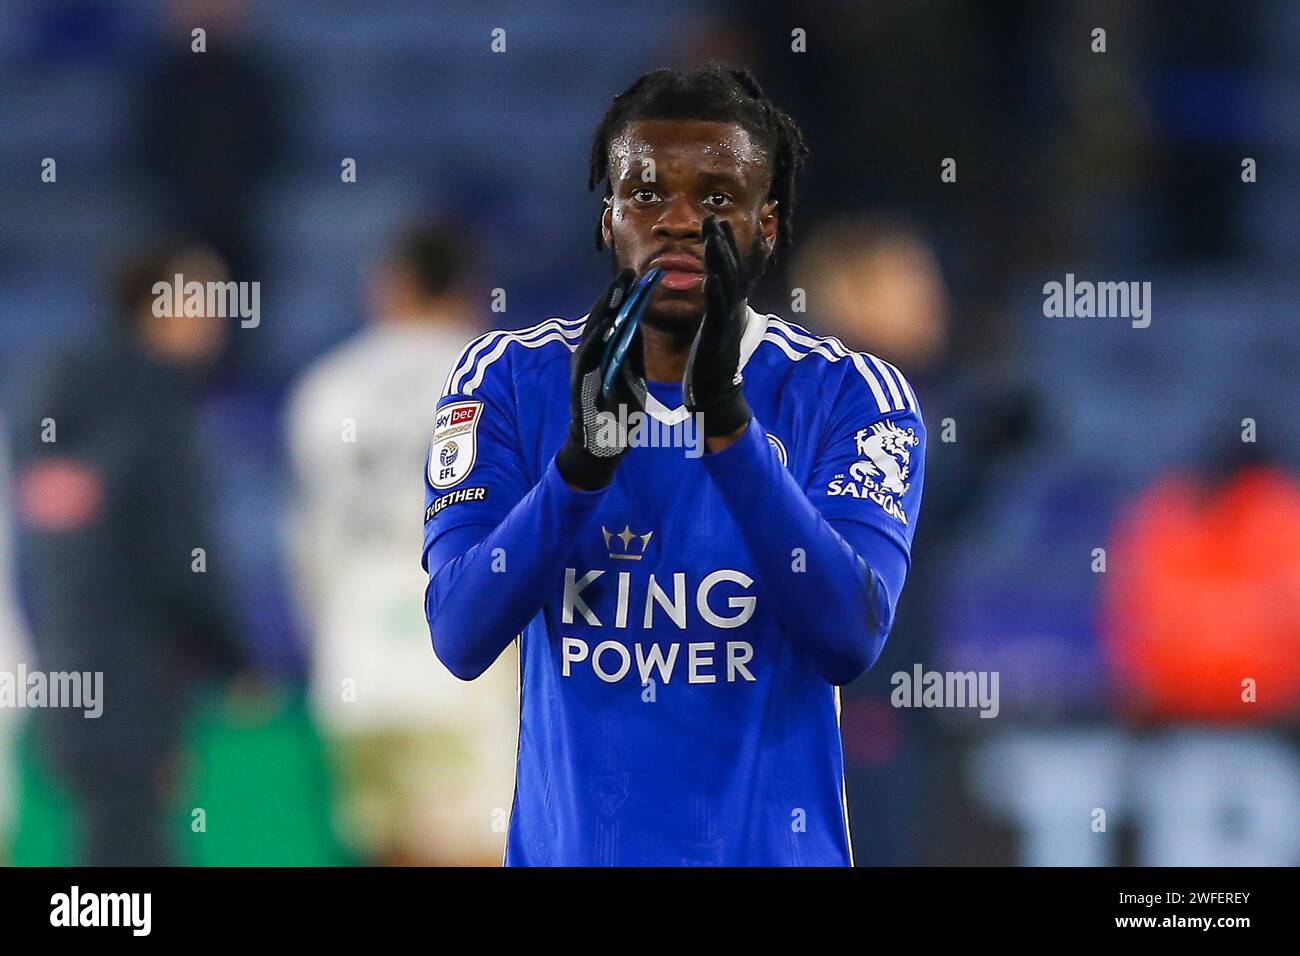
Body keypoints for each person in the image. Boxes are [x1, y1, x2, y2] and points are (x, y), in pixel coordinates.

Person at [421, 64, 927, 866]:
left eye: (719, 197)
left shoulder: (848, 395)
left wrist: (726, 425)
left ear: (769, 225)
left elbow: (848, 637)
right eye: (647, 193)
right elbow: (460, 633)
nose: (680, 221)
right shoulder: (508, 381)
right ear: (608, 220)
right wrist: (580, 471)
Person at [10, 243, 251, 865]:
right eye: (207, 298)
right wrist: (235, 657)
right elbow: (179, 548)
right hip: (132, 677)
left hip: (65, 661)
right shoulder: (153, 399)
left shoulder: (58, 388)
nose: (221, 317)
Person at [285, 224, 517, 865]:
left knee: (385, 847)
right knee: (473, 842)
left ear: (391, 285)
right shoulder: (499, 377)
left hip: (357, 654)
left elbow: (309, 543)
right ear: (472, 291)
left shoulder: (326, 387)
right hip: (465, 657)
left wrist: (320, 641)